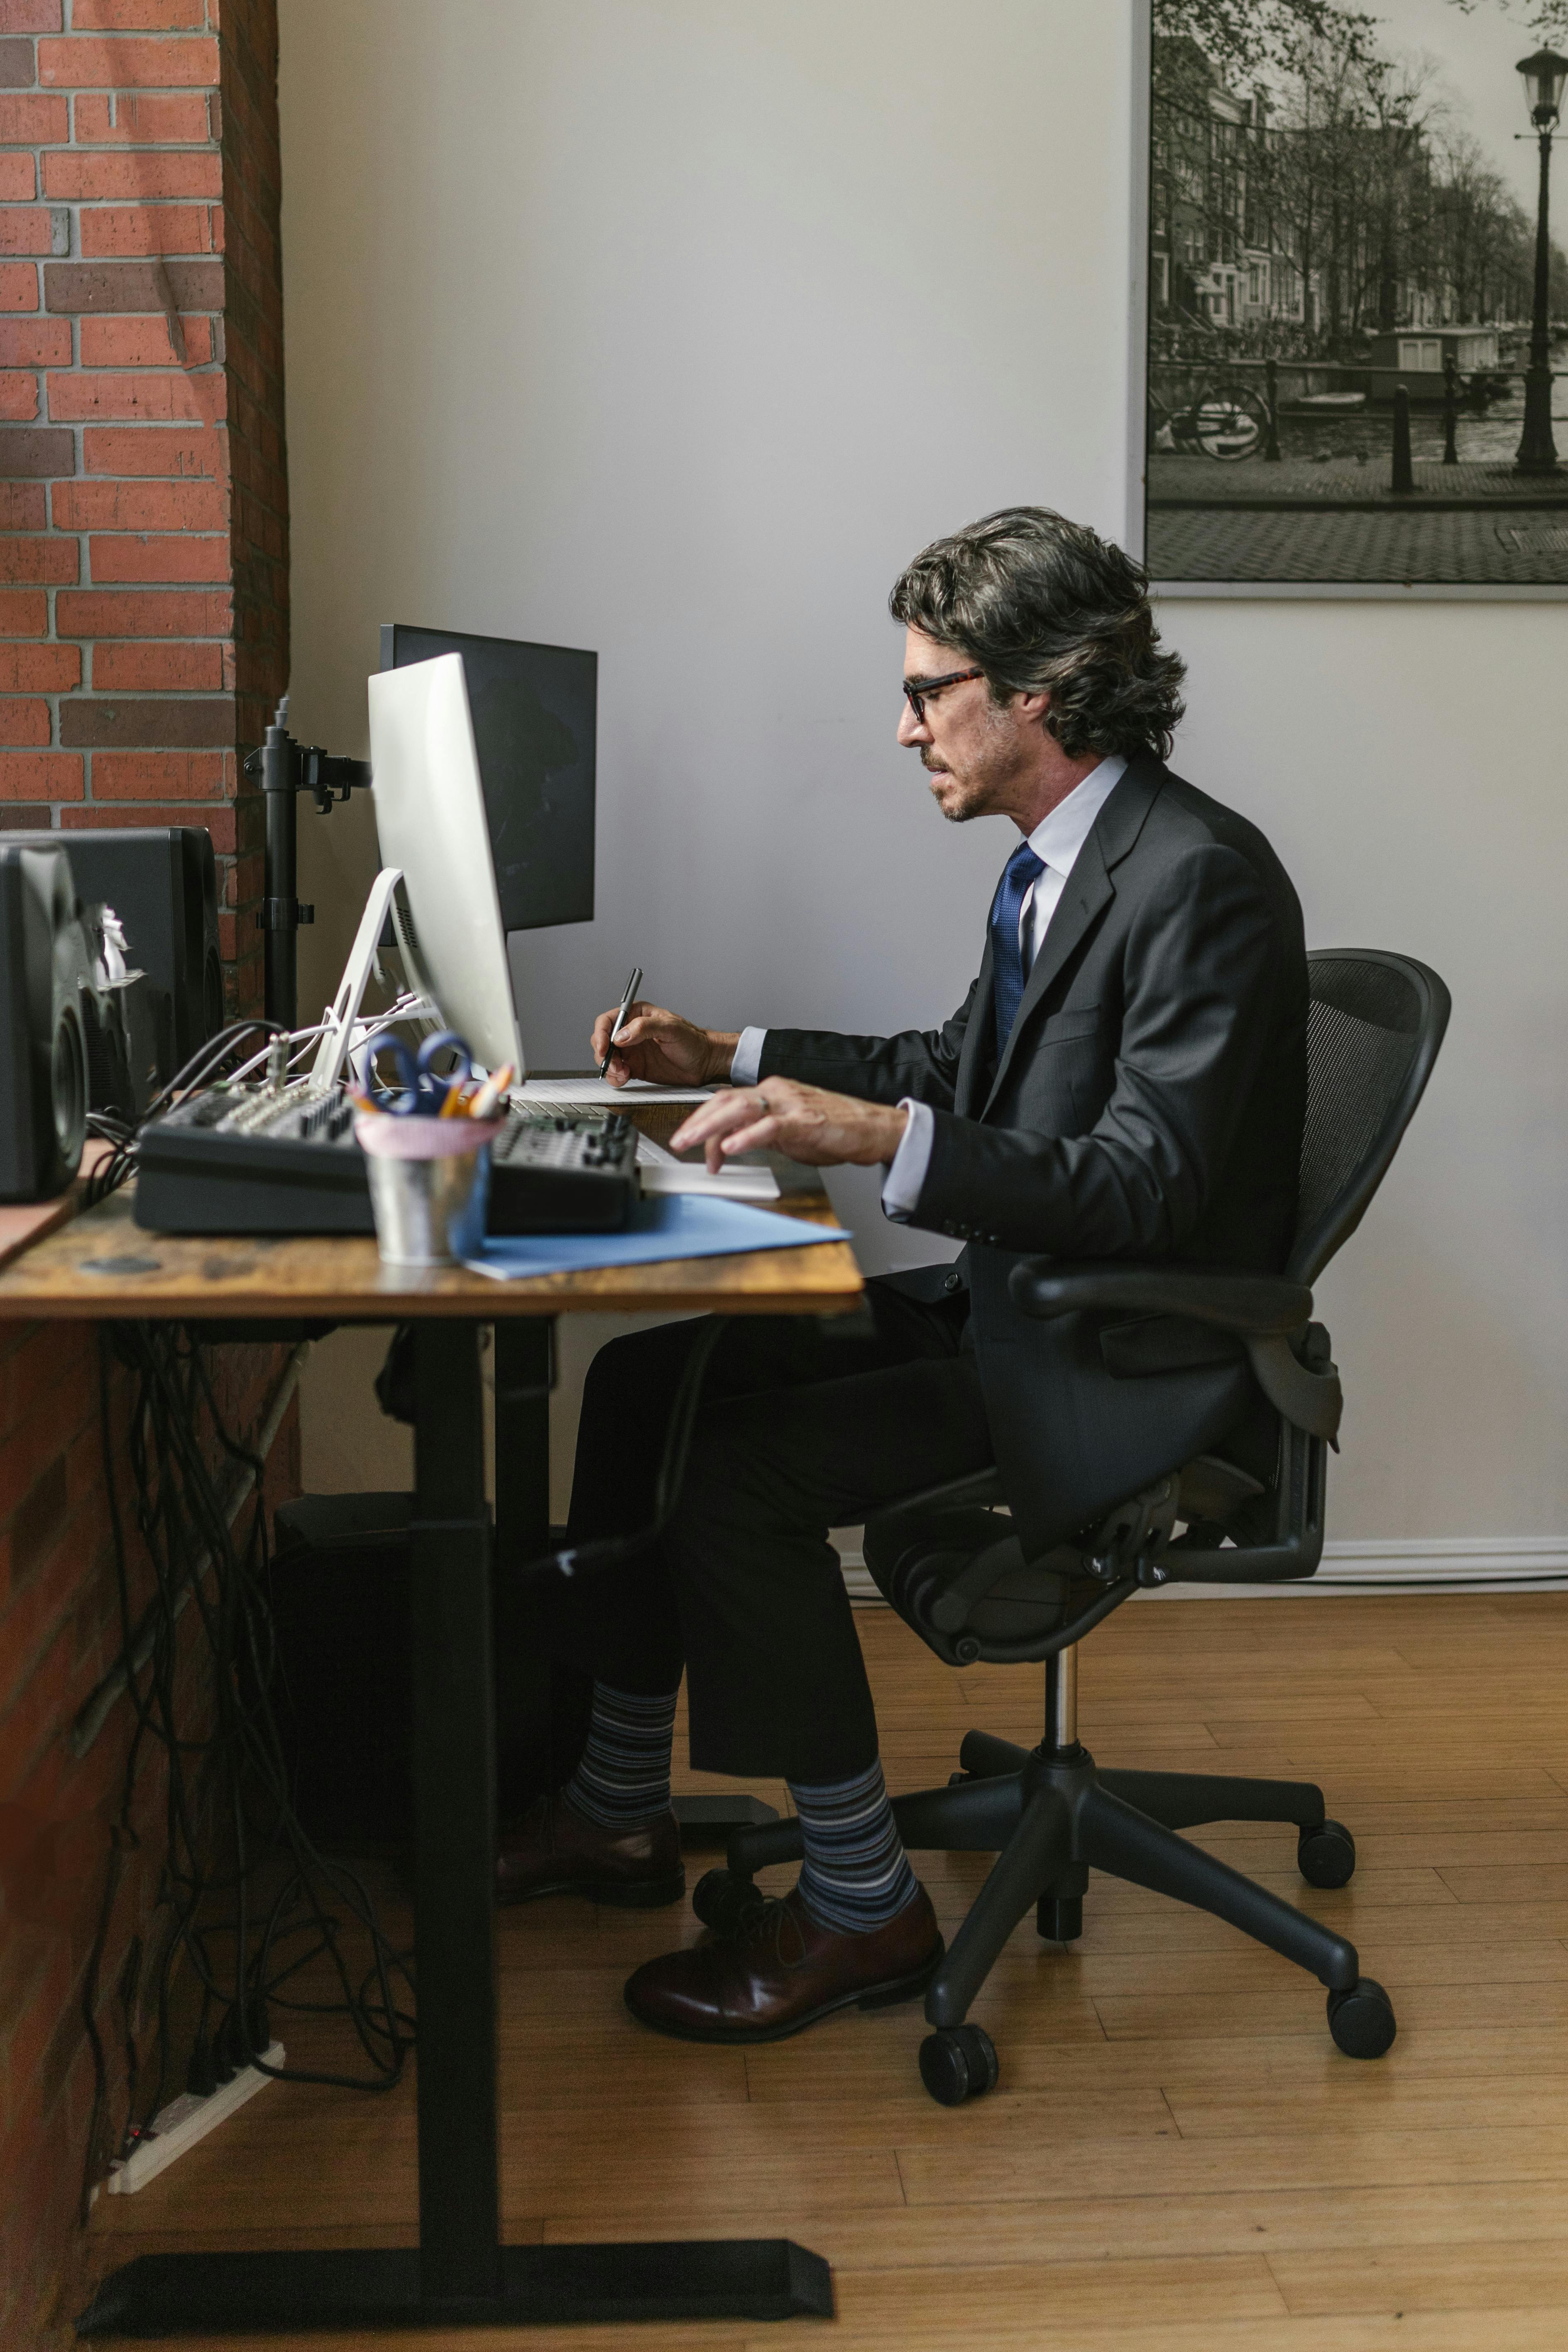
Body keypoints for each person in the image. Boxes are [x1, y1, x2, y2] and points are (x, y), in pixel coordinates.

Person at [497, 506, 1308, 2049]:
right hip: (1018, 1304)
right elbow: (956, 1067)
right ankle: (614, 1809)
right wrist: (726, 1054)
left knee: (741, 1470)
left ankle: (864, 1907)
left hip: (1121, 1353)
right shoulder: (1052, 862)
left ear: (1037, 697)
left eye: (929, 689)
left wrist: (875, 1136)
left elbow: (1148, 1183)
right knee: (651, 1374)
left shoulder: (1199, 877)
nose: (902, 725)